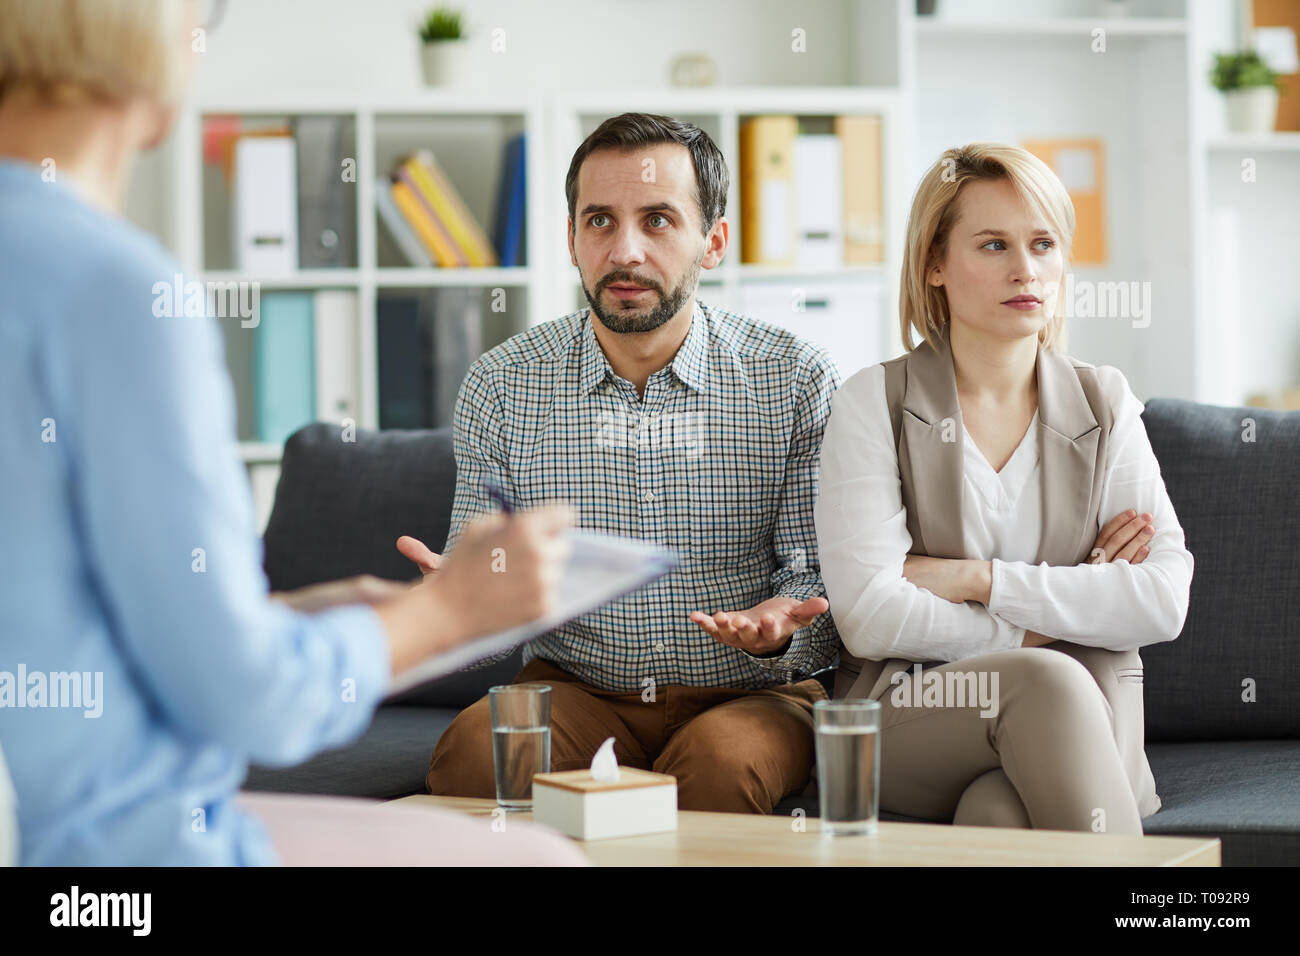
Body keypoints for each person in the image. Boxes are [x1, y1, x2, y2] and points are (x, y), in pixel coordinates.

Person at [0, 0, 586, 866]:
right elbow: (245, 700)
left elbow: (65, 616)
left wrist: (280, 615)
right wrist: (448, 612)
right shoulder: (116, 292)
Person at [398, 112, 842, 813]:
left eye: (659, 220)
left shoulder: (795, 379)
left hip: (750, 694)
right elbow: (481, 614)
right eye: (599, 221)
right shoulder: (501, 384)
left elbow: (817, 589)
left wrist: (776, 633)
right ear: (572, 240)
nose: (625, 251)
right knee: (479, 753)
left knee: (723, 768)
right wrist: (457, 607)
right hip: (577, 692)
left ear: (714, 240)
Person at [814, 143, 1195, 834]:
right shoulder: (873, 401)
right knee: (1046, 680)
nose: (1026, 270)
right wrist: (1056, 620)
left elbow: (1162, 601)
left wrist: (976, 577)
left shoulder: (1104, 401)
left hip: (1093, 721)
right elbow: (870, 615)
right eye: (993, 245)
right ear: (934, 263)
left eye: (1043, 243)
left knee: (997, 812)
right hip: (914, 713)